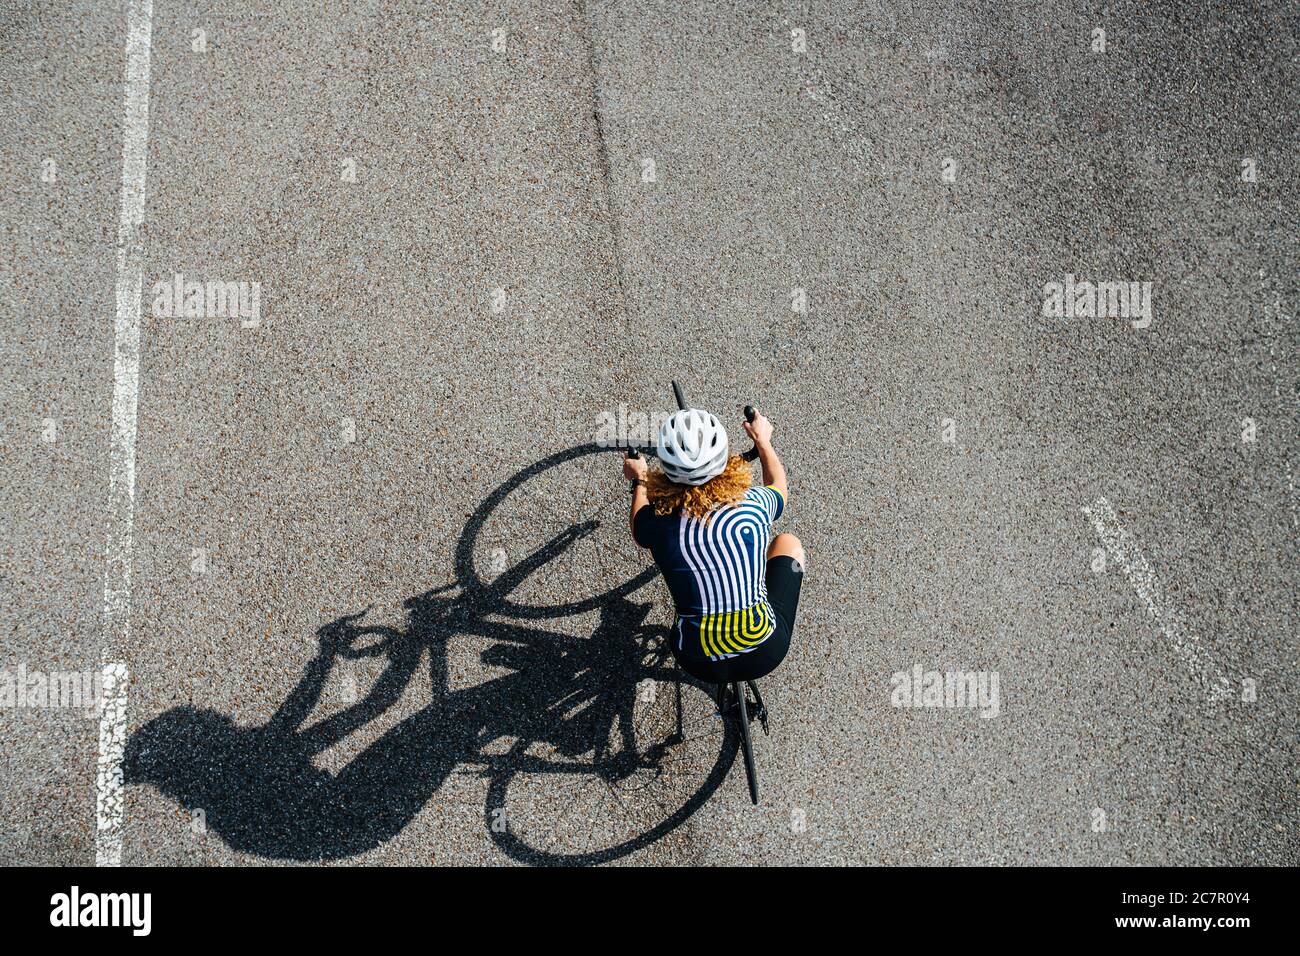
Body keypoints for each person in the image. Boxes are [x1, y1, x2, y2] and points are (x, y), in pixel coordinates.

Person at [622, 407, 804, 684]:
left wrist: (640, 479)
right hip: (765, 652)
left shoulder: (658, 524)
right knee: (789, 543)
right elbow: (778, 486)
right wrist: (762, 441)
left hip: (696, 660)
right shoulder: (753, 504)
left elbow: (638, 529)